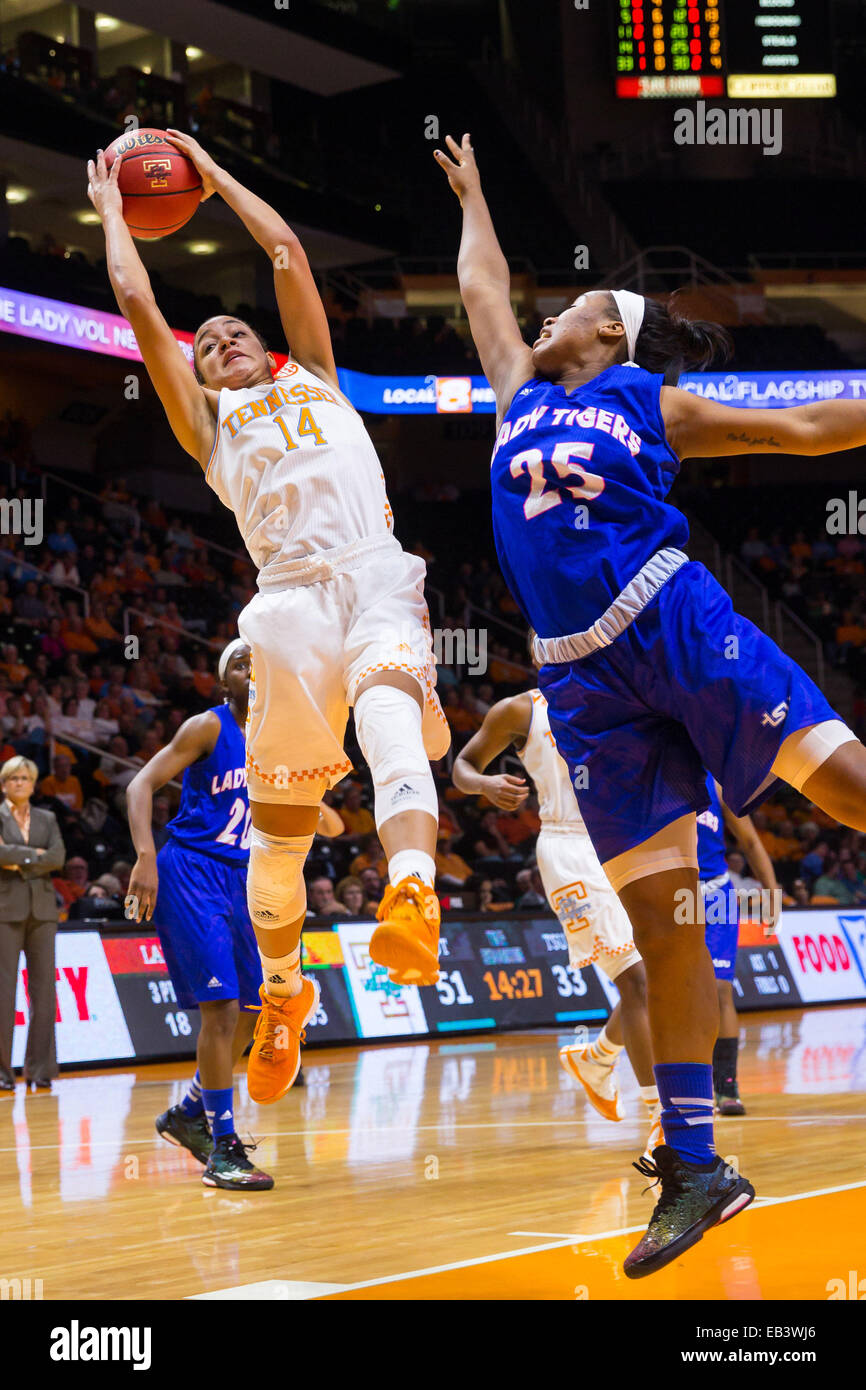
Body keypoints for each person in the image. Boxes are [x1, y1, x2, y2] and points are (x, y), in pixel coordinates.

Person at [436, 131, 866, 1277]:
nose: (544, 318)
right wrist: (477, 198)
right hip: (580, 682)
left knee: (852, 796)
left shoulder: (643, 398)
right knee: (668, 929)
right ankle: (694, 1164)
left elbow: (802, 427)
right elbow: (483, 289)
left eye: (568, 307)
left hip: (673, 624)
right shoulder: (516, 396)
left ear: (610, 333)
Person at [89, 135, 451, 1114]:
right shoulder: (209, 424)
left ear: (266, 343)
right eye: (204, 343)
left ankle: (411, 887)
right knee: (279, 837)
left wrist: (207, 170)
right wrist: (115, 216)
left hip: (373, 569)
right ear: (199, 377)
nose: (217, 338)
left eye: (230, 328)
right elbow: (138, 311)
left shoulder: (317, 376)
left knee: (386, 701)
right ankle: (285, 997)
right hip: (284, 601)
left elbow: (286, 247)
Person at [453, 684, 660, 1154]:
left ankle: (597, 1058)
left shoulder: (618, 694)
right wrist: (486, 784)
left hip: (622, 842)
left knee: (654, 978)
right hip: (568, 849)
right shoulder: (519, 709)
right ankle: (659, 1117)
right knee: (639, 982)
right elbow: (461, 767)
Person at [125, 640, 273, 1190]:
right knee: (222, 1008)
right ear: (224, 682)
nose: (253, 669)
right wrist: (145, 857)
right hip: (191, 871)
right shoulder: (206, 728)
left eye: (261, 662)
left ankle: (189, 1112)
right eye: (240, 663)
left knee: (257, 1013)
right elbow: (140, 784)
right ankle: (224, 1148)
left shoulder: (282, 740)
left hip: (244, 878)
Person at [696, 773, 779, 1117]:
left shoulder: (717, 784)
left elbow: (750, 841)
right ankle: (683, 1087)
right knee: (675, 994)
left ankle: (726, 1086)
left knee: (719, 990)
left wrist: (771, 892)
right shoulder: (655, 775)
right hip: (669, 891)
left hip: (714, 892)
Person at [0, 756, 66, 1091]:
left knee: (44, 992)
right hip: (5, 910)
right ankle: (2, 1071)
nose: (20, 783)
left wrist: (17, 858)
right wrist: (34, 856)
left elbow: (58, 857)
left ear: (34, 782)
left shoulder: (48, 818)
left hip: (42, 912)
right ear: (4, 784)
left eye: (25, 777)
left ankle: (41, 1069)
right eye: (13, 778)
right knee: (2, 992)